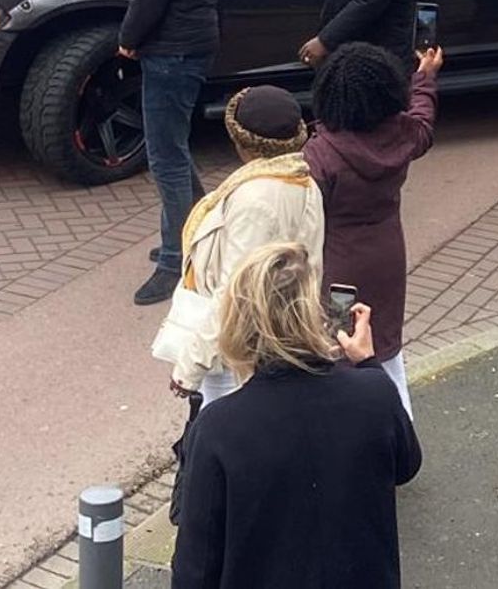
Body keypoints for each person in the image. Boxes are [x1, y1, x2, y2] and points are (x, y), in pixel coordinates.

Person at [171, 241, 421, 589]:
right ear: (313, 313)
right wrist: (368, 362)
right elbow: (406, 465)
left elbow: (196, 568)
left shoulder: (218, 428)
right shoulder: (373, 394)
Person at [305, 41, 442, 415]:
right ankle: (399, 427)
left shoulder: (320, 155)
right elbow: (423, 118)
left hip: (338, 267)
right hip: (387, 257)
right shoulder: (404, 133)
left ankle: (347, 434)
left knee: (339, 344)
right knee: (383, 342)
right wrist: (425, 78)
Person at [166, 87, 324, 403]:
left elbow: (234, 292)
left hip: (237, 358)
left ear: (241, 143)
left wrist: (191, 366)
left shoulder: (255, 199)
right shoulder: (302, 180)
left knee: (223, 437)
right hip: (277, 342)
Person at [119, 0, 219, 305]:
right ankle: (195, 234)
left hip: (171, 52)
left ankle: (176, 260)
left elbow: (147, 0)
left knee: (166, 158)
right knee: (174, 150)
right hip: (191, 45)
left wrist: (128, 39)